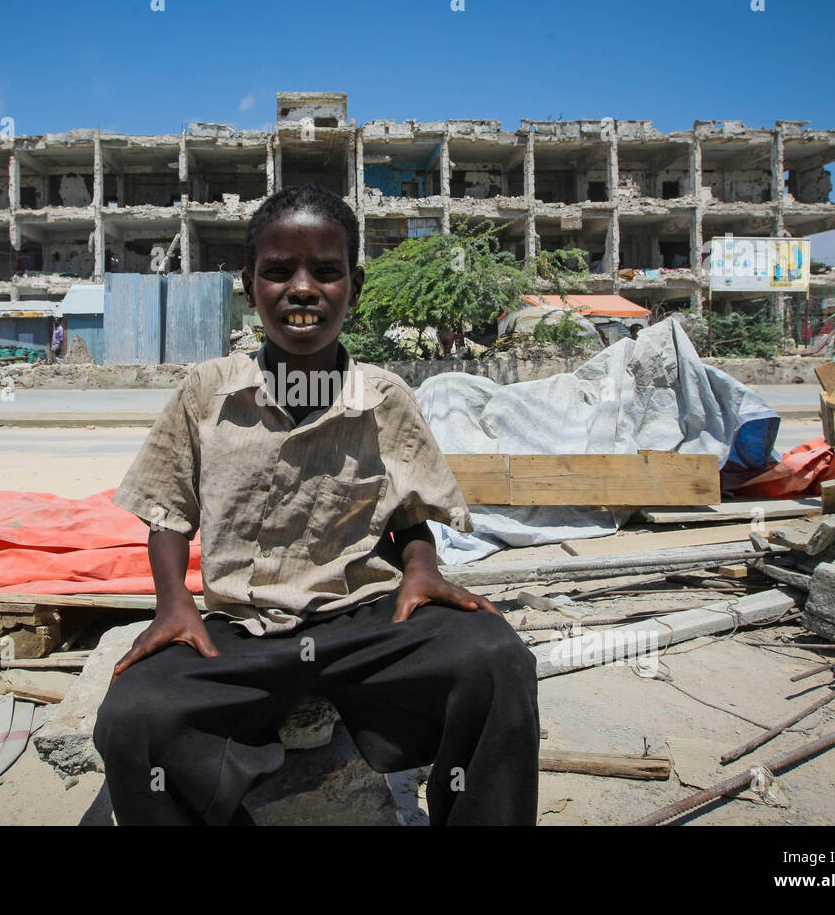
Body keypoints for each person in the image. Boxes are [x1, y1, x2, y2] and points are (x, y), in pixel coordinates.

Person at [94, 184, 540, 826]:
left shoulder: (383, 396)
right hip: (240, 630)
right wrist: (173, 605)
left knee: (496, 660)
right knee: (135, 714)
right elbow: (166, 511)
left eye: (326, 272)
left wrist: (422, 569)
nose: (302, 289)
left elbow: (410, 511)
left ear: (353, 287)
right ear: (249, 285)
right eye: (278, 272)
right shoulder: (206, 393)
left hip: (363, 619)